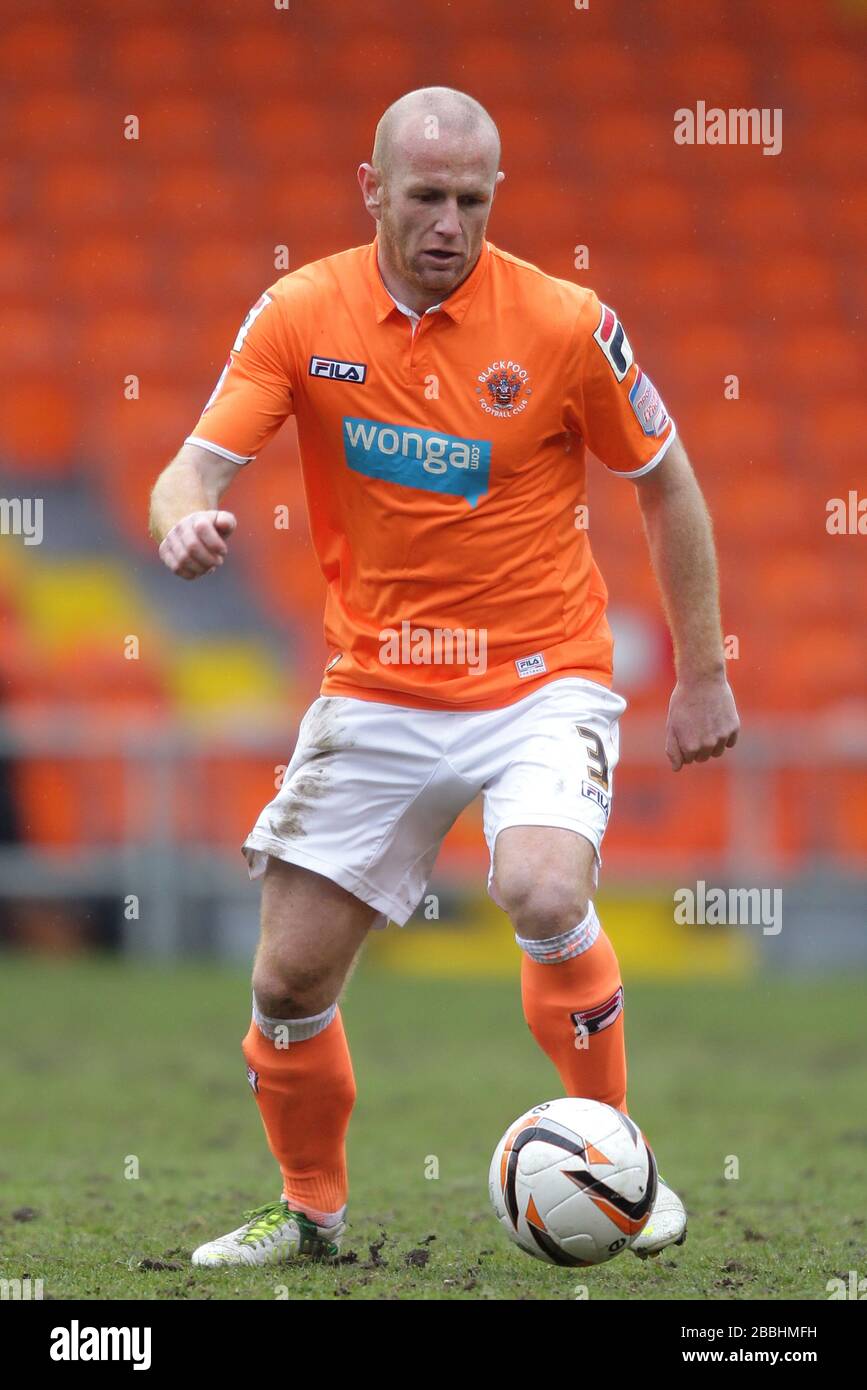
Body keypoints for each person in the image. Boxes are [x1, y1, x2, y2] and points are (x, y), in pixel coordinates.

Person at [149, 86, 739, 1269]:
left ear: (495, 197)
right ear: (372, 189)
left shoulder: (568, 323)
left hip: (541, 676)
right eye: (425, 197)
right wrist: (184, 521)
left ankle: (619, 1158)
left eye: (473, 199)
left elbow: (667, 482)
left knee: (539, 888)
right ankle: (309, 1211)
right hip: (377, 685)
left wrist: (705, 673)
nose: (449, 223)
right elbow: (189, 468)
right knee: (286, 978)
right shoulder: (298, 312)